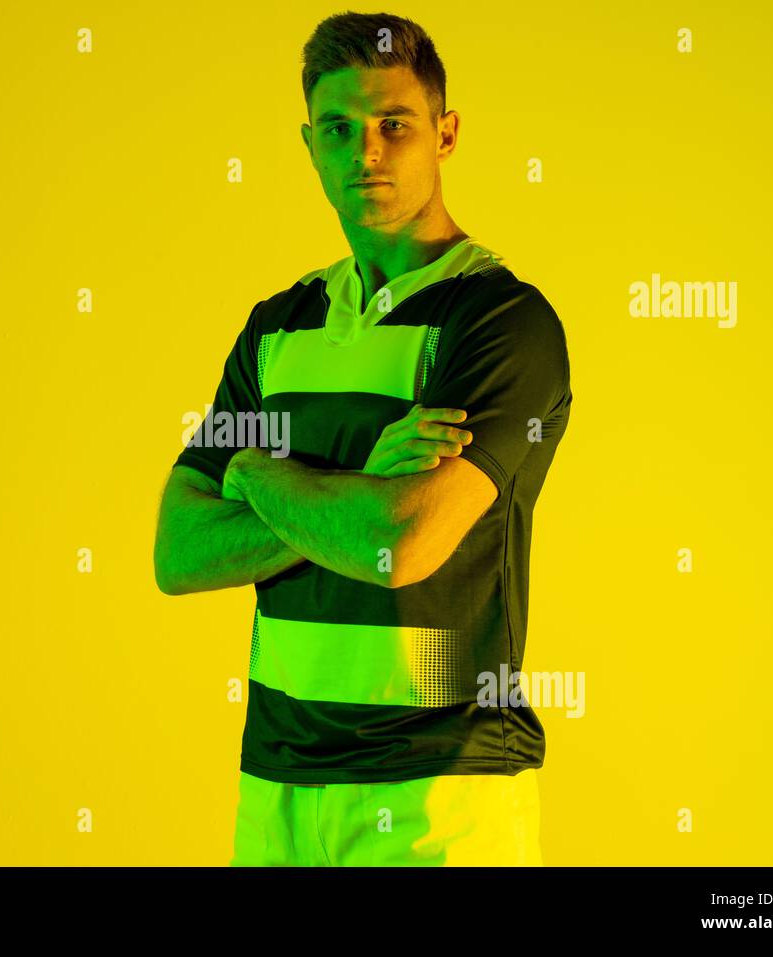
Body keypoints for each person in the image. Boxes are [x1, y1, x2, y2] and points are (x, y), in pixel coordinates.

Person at [153, 10, 572, 866]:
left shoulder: (500, 321)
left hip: (440, 790)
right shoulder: (279, 325)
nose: (367, 153)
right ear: (309, 145)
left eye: (394, 125)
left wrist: (253, 470)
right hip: (276, 789)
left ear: (445, 134)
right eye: (339, 130)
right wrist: (356, 481)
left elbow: (400, 540)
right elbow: (178, 551)